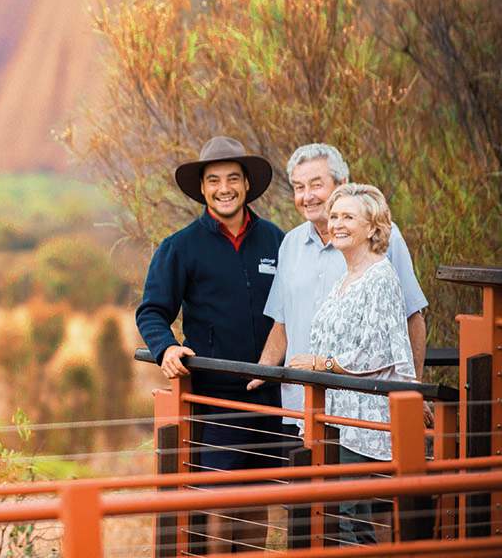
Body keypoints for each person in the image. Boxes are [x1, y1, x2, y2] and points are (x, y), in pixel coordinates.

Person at [136, 136, 285, 552]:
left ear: (247, 185)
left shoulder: (277, 241)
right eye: (214, 180)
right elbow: (151, 311)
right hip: (215, 401)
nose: (224, 188)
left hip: (271, 397)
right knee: (218, 508)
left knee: (260, 504)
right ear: (201, 189)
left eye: (233, 178)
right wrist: (166, 347)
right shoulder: (180, 247)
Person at [248, 144, 428, 425]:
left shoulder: (383, 239)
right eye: (298, 187)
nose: (307, 196)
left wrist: (414, 390)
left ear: (342, 184)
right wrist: (261, 372)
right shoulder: (290, 244)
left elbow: (411, 319)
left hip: (361, 409)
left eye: (316, 185)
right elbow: (282, 326)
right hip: (299, 407)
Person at [285, 183, 416, 545]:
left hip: (364, 422)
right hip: (335, 417)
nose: (337, 224)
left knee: (350, 522)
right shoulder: (346, 279)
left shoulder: (380, 276)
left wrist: (320, 363)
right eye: (334, 216)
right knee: (336, 520)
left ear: (373, 228)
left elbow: (376, 351)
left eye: (348, 216)